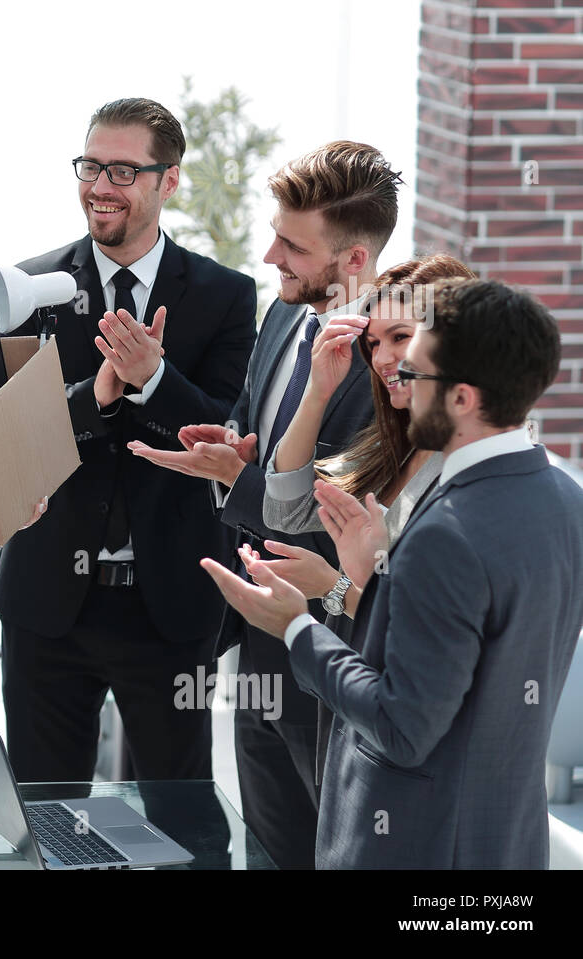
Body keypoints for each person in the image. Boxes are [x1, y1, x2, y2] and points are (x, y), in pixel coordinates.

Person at [203, 278, 583, 868]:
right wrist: (373, 583)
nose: (396, 383)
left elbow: (402, 725)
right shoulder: (565, 498)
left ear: (461, 398)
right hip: (506, 844)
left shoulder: (446, 533)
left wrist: (296, 626)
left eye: (415, 374)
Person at [132, 141, 400, 868]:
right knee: (269, 847)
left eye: (292, 244)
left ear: (352, 262)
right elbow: (258, 424)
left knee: (330, 846)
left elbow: (334, 506)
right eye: (275, 231)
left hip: (333, 642)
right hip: (261, 633)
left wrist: (239, 479)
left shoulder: (396, 363)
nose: (270, 253)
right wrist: (232, 451)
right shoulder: (282, 315)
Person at [0, 97, 257, 786]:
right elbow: (5, 438)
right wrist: (101, 394)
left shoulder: (226, 296)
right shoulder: (28, 288)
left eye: (122, 170)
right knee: (45, 820)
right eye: (90, 165)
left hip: (169, 607)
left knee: (183, 823)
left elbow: (227, 438)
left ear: (169, 182)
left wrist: (155, 379)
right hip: (47, 601)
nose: (99, 186)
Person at [247, 253, 477, 792]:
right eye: (374, 343)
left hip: (411, 745)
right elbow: (284, 509)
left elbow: (424, 628)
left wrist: (331, 588)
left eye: (400, 336)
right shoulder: (393, 443)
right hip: (358, 715)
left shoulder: (465, 469)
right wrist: (318, 390)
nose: (383, 357)